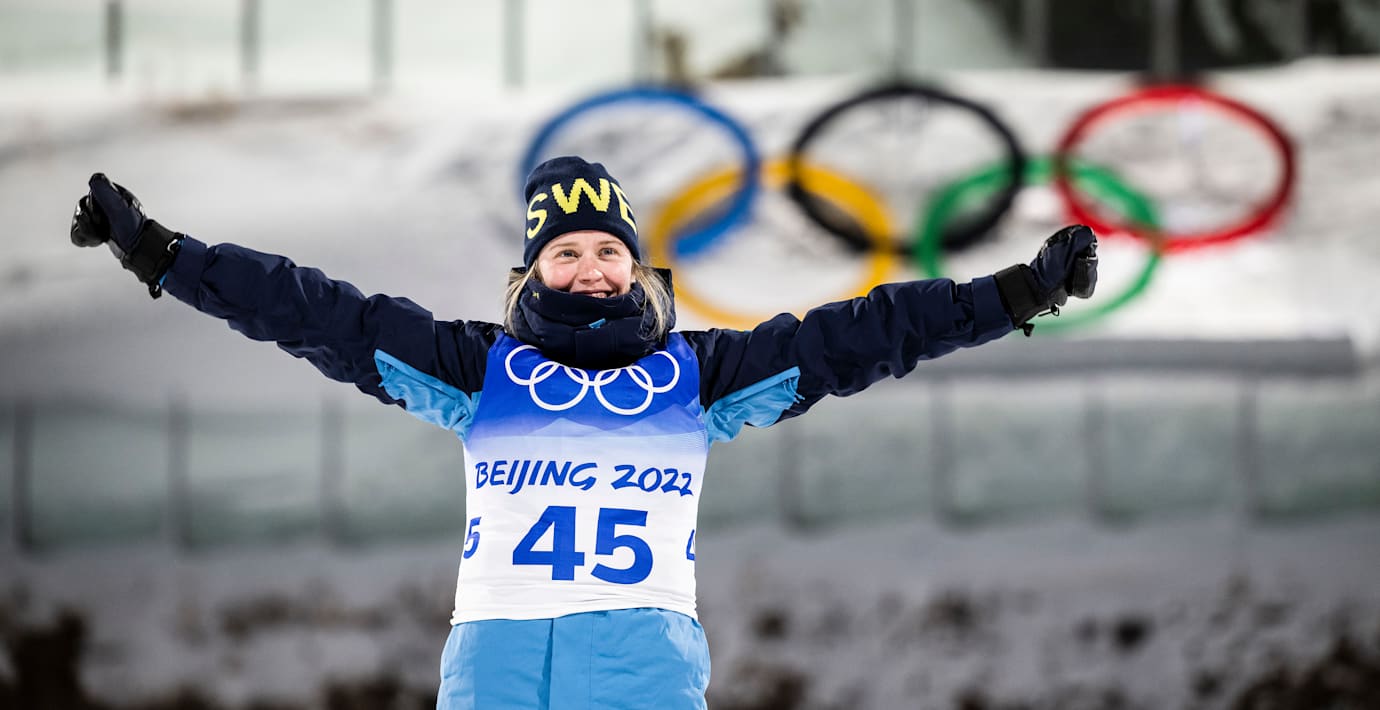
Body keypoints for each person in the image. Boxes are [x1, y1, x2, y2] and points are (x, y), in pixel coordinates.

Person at [69, 156, 1097, 710]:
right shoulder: (480, 371)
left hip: (640, 664)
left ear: (639, 269)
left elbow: (863, 336)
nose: (593, 268)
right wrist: (163, 254)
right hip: (495, 667)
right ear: (530, 275)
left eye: (610, 249)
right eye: (567, 254)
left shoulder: (696, 377)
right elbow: (316, 313)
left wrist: (1016, 293)